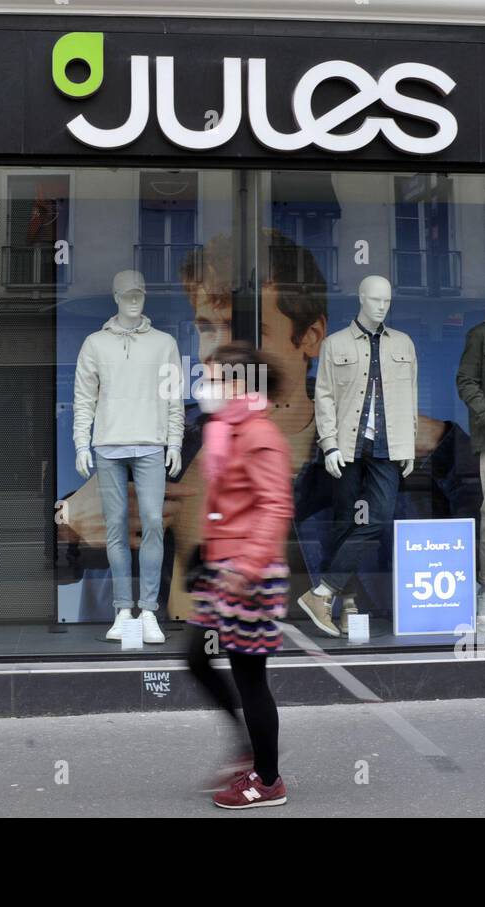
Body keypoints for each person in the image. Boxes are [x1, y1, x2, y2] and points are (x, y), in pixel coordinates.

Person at [185, 341, 294, 809]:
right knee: (195, 657)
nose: (203, 388)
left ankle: (267, 780)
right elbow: (228, 507)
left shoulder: (259, 435)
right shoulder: (227, 431)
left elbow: (275, 507)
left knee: (251, 678)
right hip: (224, 568)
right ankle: (249, 748)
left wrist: (245, 568)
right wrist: (203, 557)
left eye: (211, 379)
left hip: (250, 575)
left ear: (236, 384)